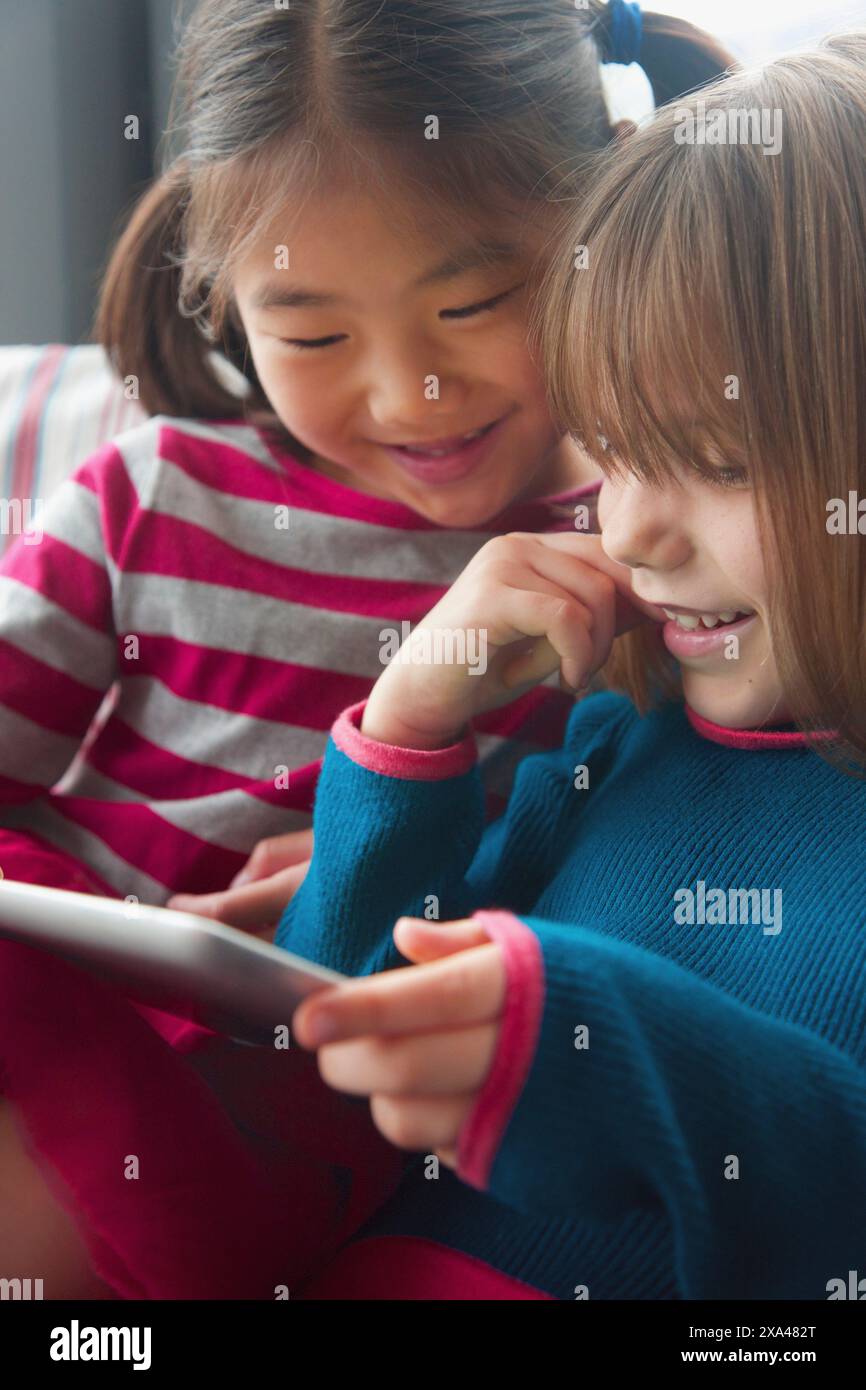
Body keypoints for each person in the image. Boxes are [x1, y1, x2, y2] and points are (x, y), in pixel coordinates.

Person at [0, 0, 733, 1297]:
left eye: (475, 300)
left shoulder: (647, 562)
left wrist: (385, 848)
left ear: (601, 230)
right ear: (219, 291)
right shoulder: (154, 494)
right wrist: (123, 938)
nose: (409, 396)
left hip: (315, 1120)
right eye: (314, 334)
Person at [274, 30, 866, 1299]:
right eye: (612, 454)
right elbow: (323, 1042)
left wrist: (601, 1038)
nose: (632, 532)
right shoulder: (608, 753)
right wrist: (406, 741)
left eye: (714, 459)